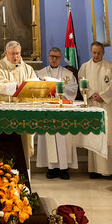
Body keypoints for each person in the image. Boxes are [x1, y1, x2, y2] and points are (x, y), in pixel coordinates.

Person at [79, 42, 112, 180]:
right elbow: (82, 84)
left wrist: (103, 96)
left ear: (103, 52)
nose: (96, 55)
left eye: (99, 52)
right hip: (93, 105)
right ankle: (95, 169)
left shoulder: (110, 67)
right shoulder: (84, 67)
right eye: (94, 52)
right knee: (95, 137)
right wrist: (92, 94)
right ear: (91, 51)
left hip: (108, 107)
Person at [0, 40, 38, 158]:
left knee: (23, 146)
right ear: (6, 53)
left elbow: (34, 86)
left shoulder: (28, 69)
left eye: (18, 53)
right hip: (5, 112)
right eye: (13, 54)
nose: (16, 56)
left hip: (23, 112)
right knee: (5, 147)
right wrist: (16, 87)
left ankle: (25, 173)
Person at [35, 47, 78, 178]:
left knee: (63, 139)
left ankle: (64, 169)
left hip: (62, 110)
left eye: (57, 57)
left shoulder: (68, 74)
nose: (54, 59)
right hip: (47, 110)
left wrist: (58, 89)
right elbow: (36, 90)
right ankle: (51, 168)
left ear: (60, 58)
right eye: (52, 56)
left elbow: (73, 90)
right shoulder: (40, 73)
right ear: (48, 57)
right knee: (49, 138)